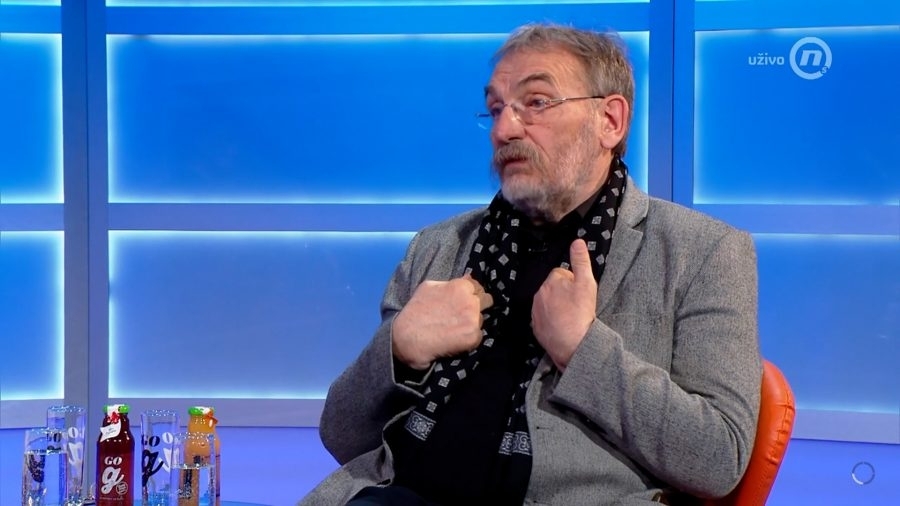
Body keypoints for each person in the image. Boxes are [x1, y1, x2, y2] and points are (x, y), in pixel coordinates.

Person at [300, 22, 761, 506]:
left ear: (610, 121)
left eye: (536, 102)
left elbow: (718, 459)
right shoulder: (438, 247)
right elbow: (342, 435)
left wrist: (582, 350)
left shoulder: (703, 252)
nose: (504, 130)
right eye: (496, 108)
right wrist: (399, 348)